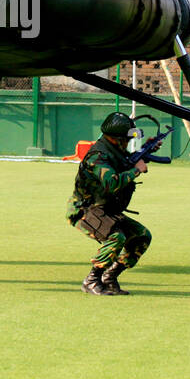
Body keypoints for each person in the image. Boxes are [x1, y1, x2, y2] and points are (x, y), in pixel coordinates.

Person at [66, 112, 152, 296]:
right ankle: (91, 280)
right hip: (85, 210)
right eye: (126, 140)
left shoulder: (115, 151)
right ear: (116, 139)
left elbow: (126, 163)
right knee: (116, 237)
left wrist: (147, 149)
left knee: (142, 236)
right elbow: (111, 183)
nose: (128, 143)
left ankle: (110, 277)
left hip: (105, 209)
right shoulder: (97, 156)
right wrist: (136, 171)